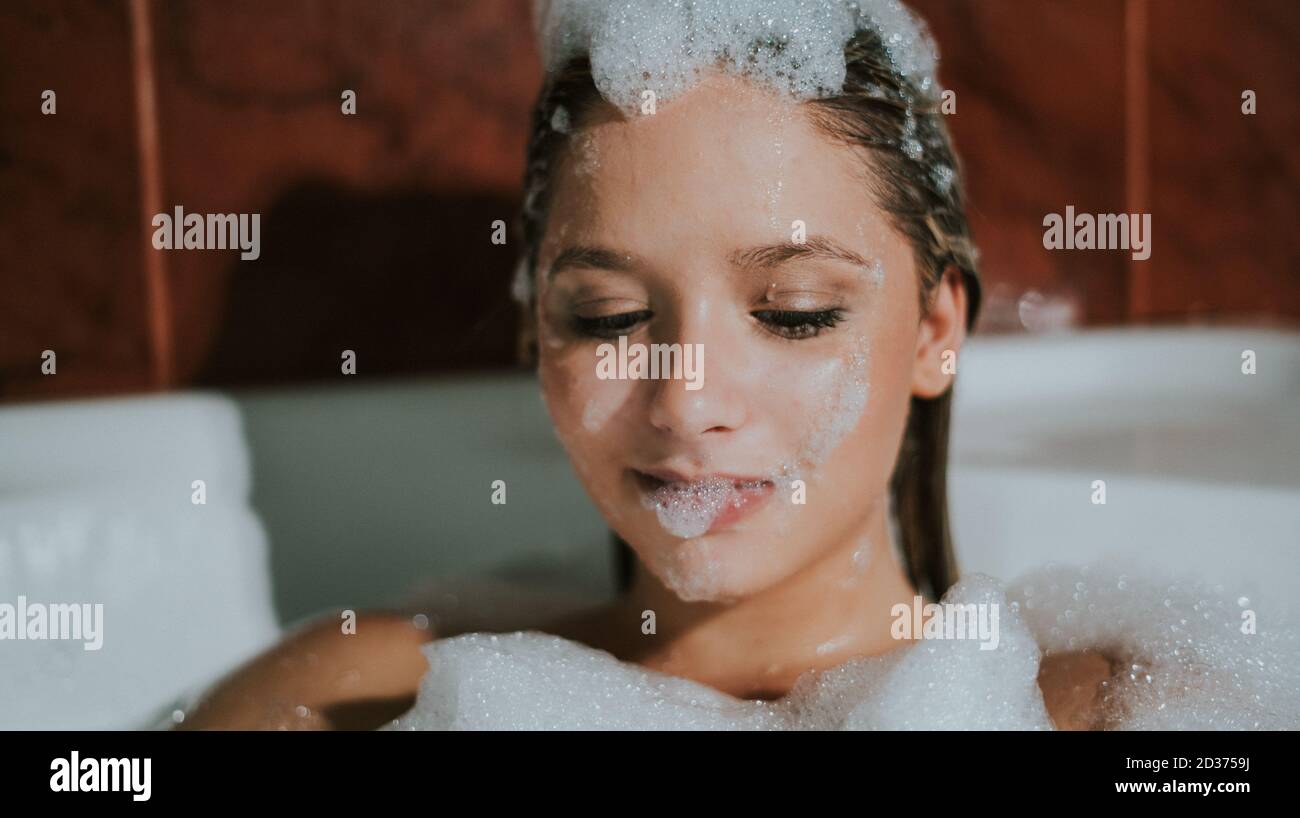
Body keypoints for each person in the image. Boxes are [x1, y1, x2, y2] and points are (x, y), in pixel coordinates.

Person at [180, 3, 1116, 731]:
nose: (686, 399)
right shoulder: (366, 693)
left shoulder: (1090, 710)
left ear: (933, 331)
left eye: (795, 314)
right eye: (609, 316)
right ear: (534, 333)